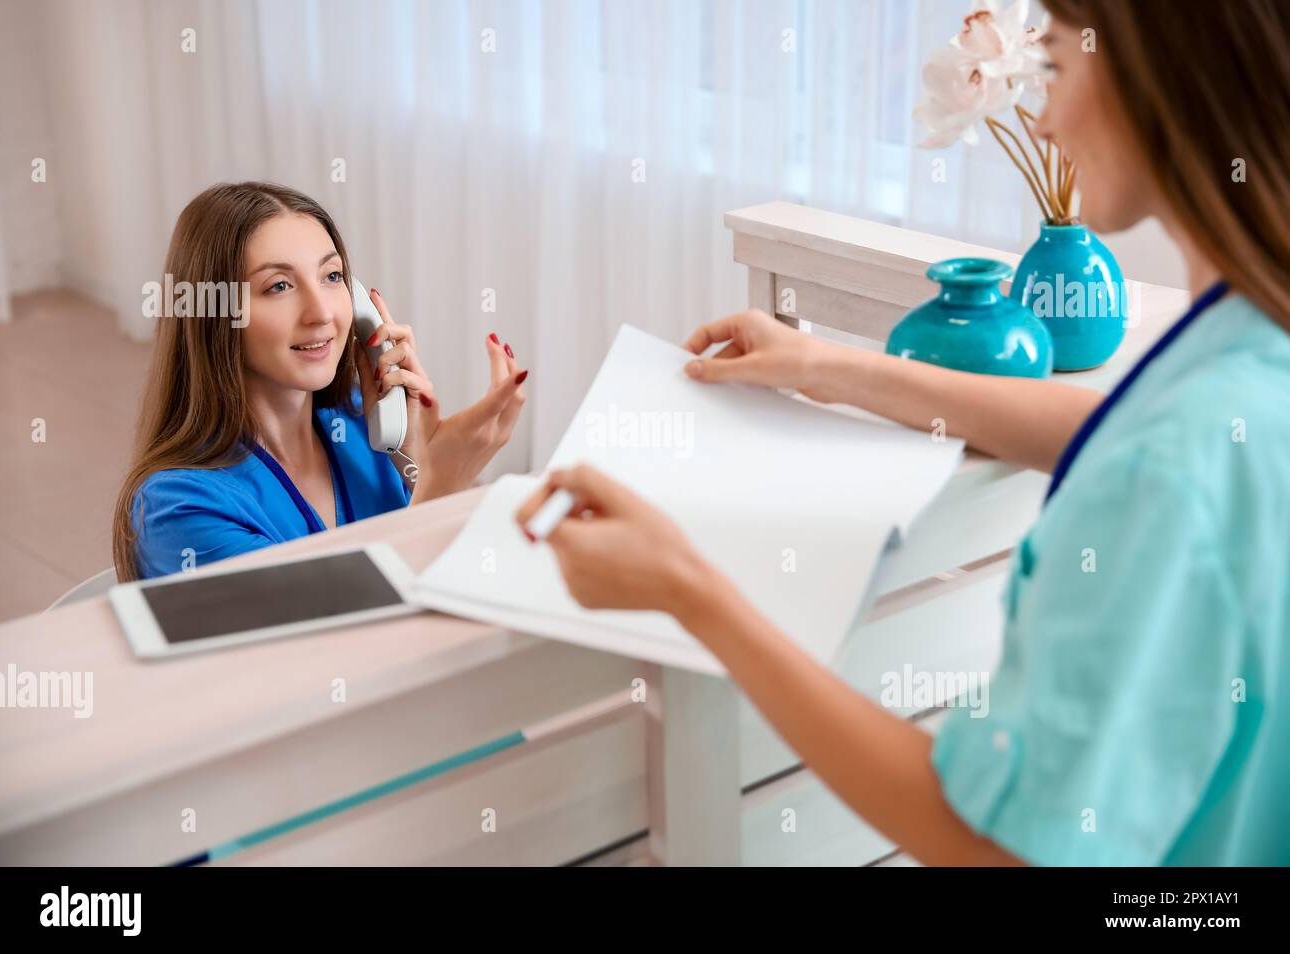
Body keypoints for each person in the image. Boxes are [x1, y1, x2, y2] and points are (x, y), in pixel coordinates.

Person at [516, 1, 1290, 864]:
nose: (1041, 114)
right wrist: (826, 367)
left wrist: (693, 592)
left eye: (1060, 67)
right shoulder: (1251, 342)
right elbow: (1120, 427)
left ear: (1161, 78)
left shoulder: (1170, 468)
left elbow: (996, 849)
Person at [113, 182, 527, 581]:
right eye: (279, 286)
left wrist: (414, 457)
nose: (321, 313)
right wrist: (444, 485)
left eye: (331, 277)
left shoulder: (366, 429)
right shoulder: (180, 509)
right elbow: (347, 637)